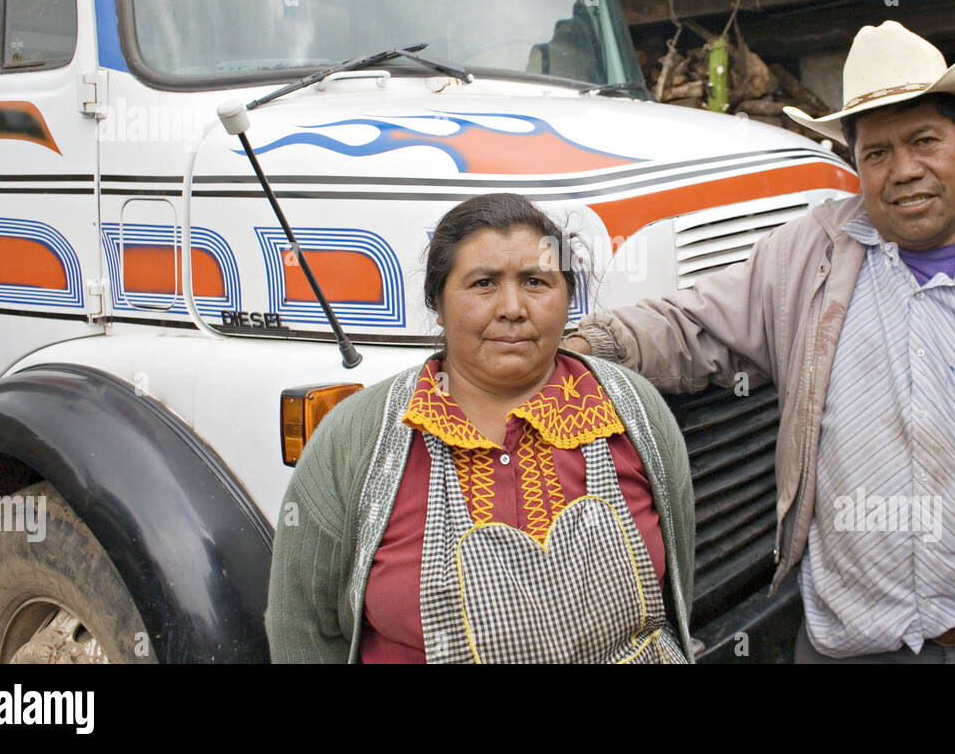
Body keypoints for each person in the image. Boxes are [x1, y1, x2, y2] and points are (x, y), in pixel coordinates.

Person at [563, 21, 955, 664]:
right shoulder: (809, 258)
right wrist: (575, 345)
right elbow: (691, 325)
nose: (904, 171)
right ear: (857, 165)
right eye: (878, 153)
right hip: (844, 640)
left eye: (924, 141)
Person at [266, 193, 694, 663]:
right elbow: (303, 625)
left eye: (535, 281)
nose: (512, 308)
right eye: (483, 283)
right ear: (438, 303)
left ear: (568, 298)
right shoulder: (355, 438)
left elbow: (677, 589)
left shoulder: (633, 412)